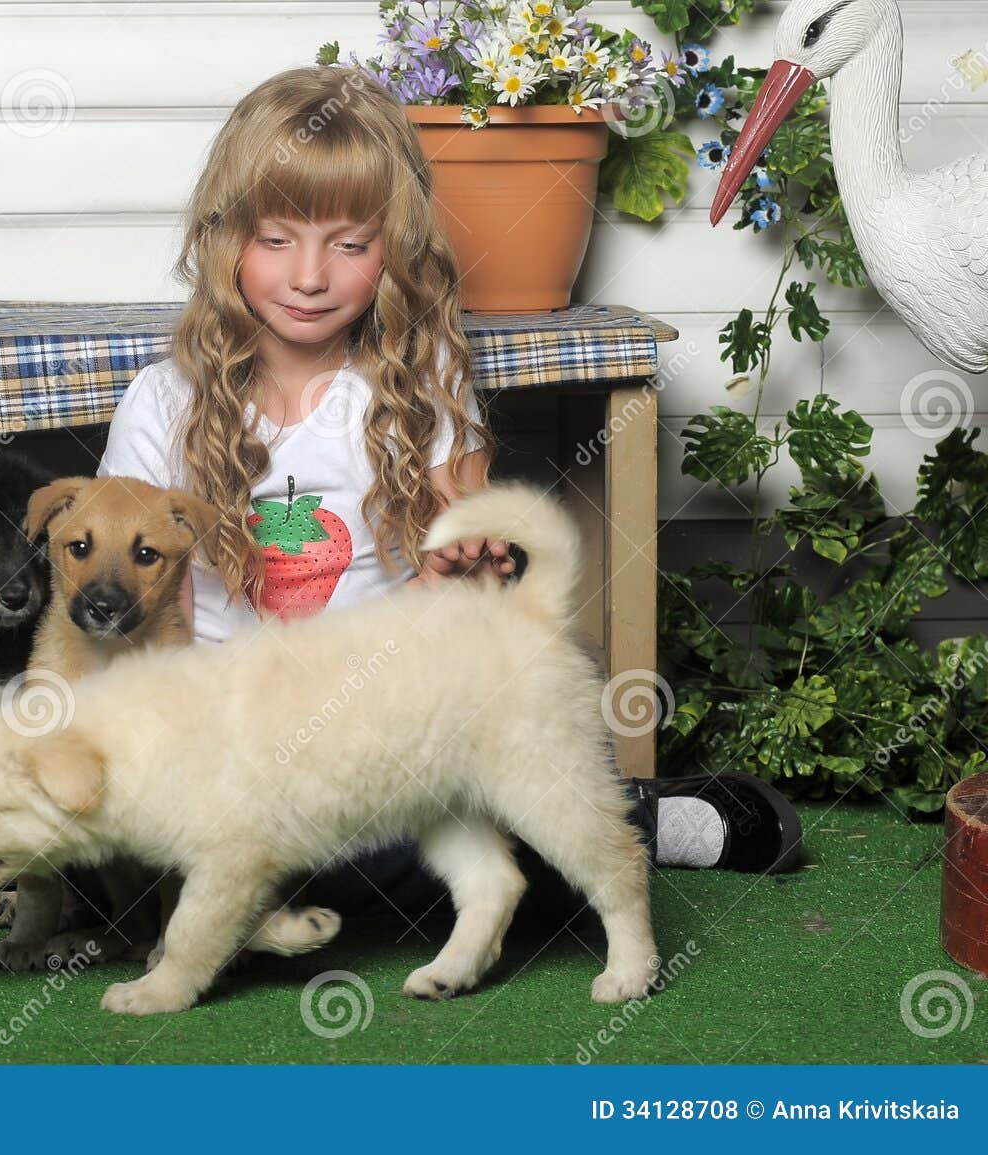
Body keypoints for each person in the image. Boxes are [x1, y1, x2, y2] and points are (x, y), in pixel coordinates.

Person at [94, 65, 800, 932]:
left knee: (385, 852)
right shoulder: (163, 401)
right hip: (216, 734)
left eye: (349, 245)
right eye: (276, 239)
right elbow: (109, 607)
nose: (310, 275)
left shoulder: (418, 385)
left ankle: (634, 822)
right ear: (222, 236)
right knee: (120, 823)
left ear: (394, 249)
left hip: (372, 742)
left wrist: (464, 572)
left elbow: (467, 577)